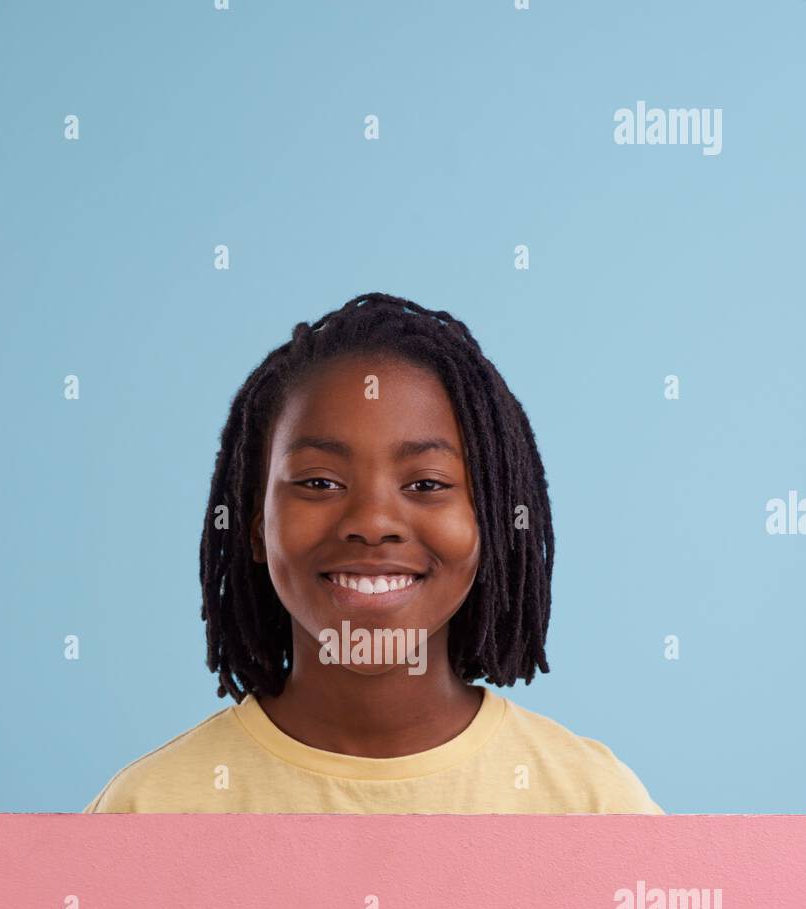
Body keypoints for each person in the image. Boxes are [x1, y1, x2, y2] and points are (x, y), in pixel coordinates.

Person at [84, 292, 662, 814]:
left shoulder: (591, 805)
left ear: (490, 521)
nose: (372, 523)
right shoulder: (149, 808)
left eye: (427, 484)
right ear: (256, 527)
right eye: (318, 483)